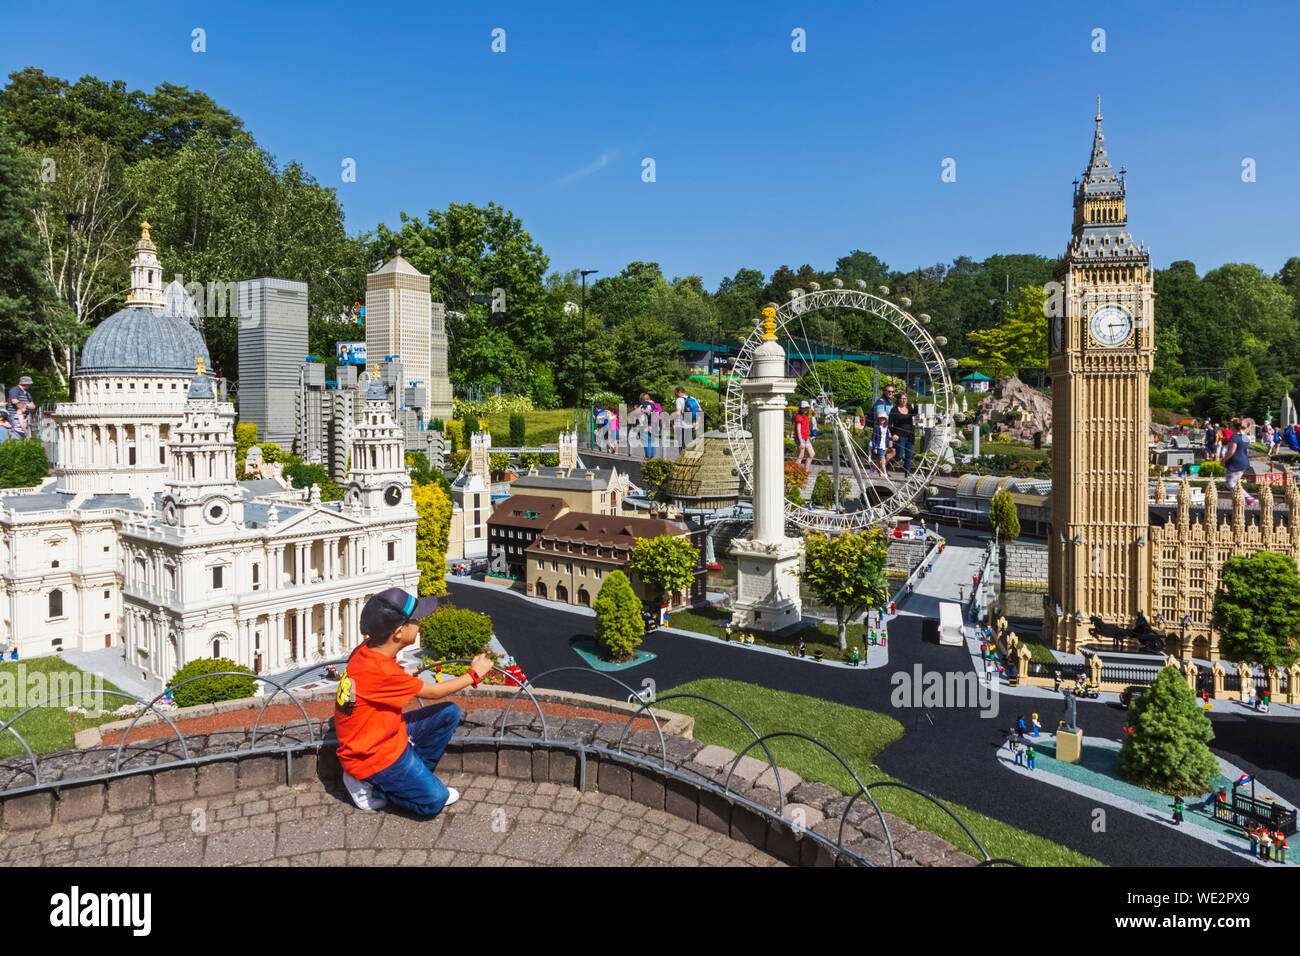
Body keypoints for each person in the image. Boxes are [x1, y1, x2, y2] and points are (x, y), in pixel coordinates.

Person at [335, 587, 492, 815]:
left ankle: (412, 778)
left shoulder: (366, 650)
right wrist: (473, 675)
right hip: (371, 755)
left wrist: (400, 671)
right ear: (399, 631)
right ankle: (371, 785)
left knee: (448, 713)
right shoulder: (383, 673)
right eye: (416, 619)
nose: (420, 623)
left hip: (383, 734)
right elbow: (434, 692)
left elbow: (374, 679)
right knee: (435, 801)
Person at [1223, 419, 1257, 506]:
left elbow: (1231, 451)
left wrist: (1223, 460)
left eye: (1231, 426)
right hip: (1244, 461)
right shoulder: (1245, 437)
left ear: (1234, 427)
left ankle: (1248, 498)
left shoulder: (1234, 437)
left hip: (1235, 462)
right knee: (1235, 482)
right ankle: (1239, 500)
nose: (1230, 428)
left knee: (1230, 483)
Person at [889, 392, 916, 477]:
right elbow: (889, 424)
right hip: (900, 436)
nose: (904, 400)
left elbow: (915, 413)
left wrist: (916, 406)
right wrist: (893, 434)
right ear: (899, 400)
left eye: (905, 399)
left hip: (910, 435)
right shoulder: (894, 410)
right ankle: (886, 466)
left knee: (909, 456)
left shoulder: (909, 409)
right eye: (902, 399)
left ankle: (907, 473)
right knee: (899, 456)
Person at [638, 393, 661, 458]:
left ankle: (648, 456)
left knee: (646, 441)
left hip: (646, 426)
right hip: (655, 425)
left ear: (641, 399)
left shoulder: (644, 405)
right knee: (652, 441)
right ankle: (652, 457)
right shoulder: (653, 404)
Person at [793, 401, 815, 468]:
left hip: (805, 438)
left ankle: (805, 472)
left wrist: (809, 436)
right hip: (800, 438)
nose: (806, 409)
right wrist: (801, 442)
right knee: (801, 455)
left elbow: (805, 428)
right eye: (804, 408)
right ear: (801, 408)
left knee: (812, 454)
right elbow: (798, 430)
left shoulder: (805, 417)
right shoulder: (798, 417)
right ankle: (796, 473)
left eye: (807, 408)